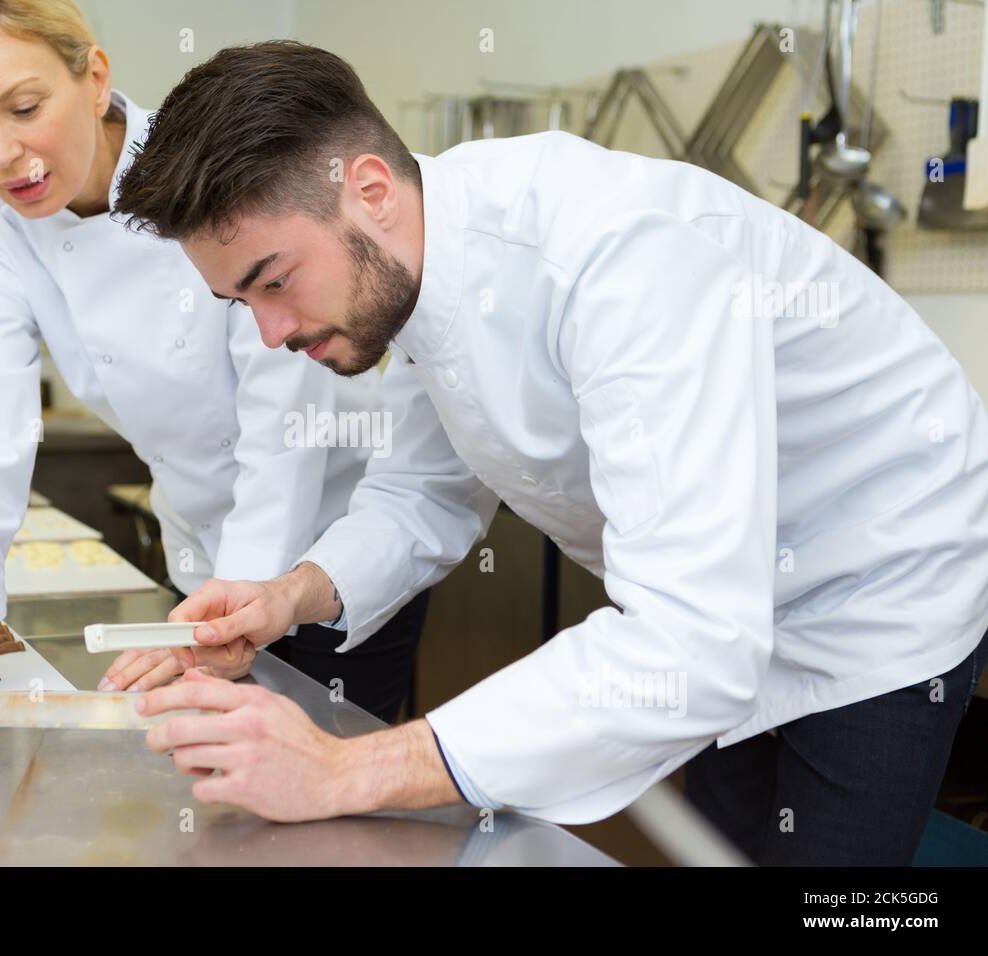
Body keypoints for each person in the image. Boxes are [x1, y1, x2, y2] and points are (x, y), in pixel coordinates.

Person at [111, 41, 988, 864]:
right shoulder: (417, 264)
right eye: (240, 302)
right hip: (731, 595)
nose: (269, 333)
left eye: (274, 281)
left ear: (369, 189)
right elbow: (420, 493)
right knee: (730, 848)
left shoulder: (618, 257)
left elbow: (688, 645)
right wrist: (284, 596)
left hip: (877, 571)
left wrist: (348, 769)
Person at [0, 5, 436, 794]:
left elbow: (283, 430)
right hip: (203, 560)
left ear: (95, 78)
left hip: (333, 555)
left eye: (25, 109)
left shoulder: (208, 166)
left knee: (321, 799)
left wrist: (235, 615)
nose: (3, 154)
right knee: (201, 790)